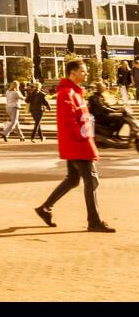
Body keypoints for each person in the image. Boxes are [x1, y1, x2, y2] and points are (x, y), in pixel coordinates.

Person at [35, 58, 114, 232]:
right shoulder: (67, 93)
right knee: (91, 181)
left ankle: (45, 208)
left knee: (72, 180)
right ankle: (94, 221)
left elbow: (80, 119)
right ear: (73, 72)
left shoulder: (74, 92)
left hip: (78, 143)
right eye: (83, 70)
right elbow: (69, 121)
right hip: (78, 145)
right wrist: (82, 138)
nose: (86, 73)